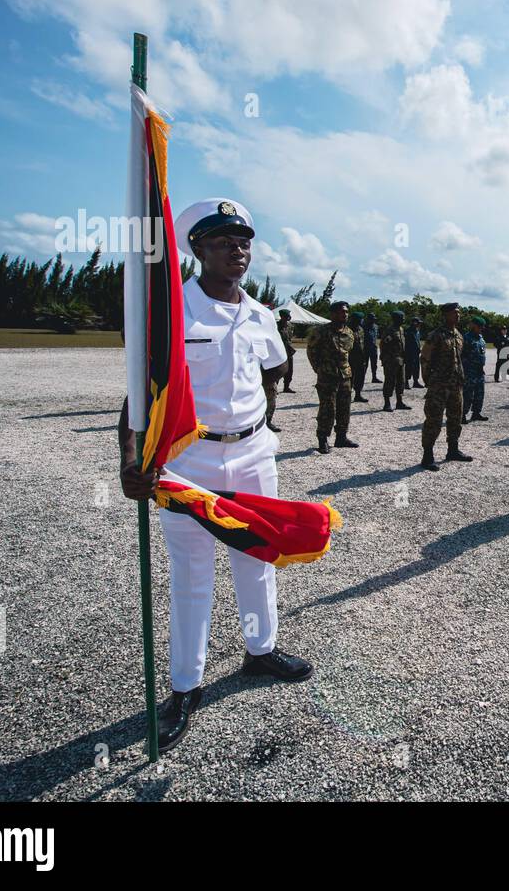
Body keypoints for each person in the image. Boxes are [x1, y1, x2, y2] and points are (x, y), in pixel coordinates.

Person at [118, 197, 310, 754]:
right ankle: (185, 687)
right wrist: (130, 462)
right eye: (224, 239)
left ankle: (260, 650)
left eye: (244, 238)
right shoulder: (172, 313)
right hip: (190, 460)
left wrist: (261, 419)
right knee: (192, 578)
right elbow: (136, 400)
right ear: (196, 248)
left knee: (257, 557)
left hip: (253, 456)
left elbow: (274, 370)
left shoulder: (262, 315)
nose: (237, 248)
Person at [419, 303, 472, 470]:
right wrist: (430, 381)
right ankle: (427, 456)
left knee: (455, 419)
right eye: (454, 313)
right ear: (446, 315)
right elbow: (425, 359)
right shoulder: (436, 335)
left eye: (459, 312)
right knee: (434, 420)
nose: (458, 315)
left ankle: (453, 450)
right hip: (439, 385)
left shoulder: (458, 336)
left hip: (456, 385)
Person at [306, 300, 359, 453]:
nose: (345, 314)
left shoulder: (349, 332)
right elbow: (312, 352)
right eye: (342, 312)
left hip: (345, 376)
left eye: (347, 312)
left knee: (344, 408)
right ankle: (323, 439)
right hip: (327, 376)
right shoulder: (321, 331)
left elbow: (349, 353)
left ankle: (341, 437)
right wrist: (320, 369)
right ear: (333, 314)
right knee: (327, 409)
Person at [379, 310, 411, 412]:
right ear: (396, 319)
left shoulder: (401, 329)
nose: (404, 319)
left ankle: (399, 402)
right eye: (402, 318)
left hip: (401, 360)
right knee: (389, 381)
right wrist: (385, 359)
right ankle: (387, 403)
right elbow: (383, 345)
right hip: (391, 360)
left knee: (401, 381)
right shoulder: (390, 331)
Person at [462, 315, 489, 422]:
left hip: (479, 371)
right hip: (469, 371)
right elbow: (461, 355)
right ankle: (462, 414)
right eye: (480, 327)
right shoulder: (466, 338)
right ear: (473, 326)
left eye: (482, 327)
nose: (481, 329)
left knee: (479, 393)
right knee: (467, 394)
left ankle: (476, 413)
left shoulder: (481, 339)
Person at [349, 311, 369, 403]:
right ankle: (347, 396)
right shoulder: (347, 329)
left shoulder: (361, 329)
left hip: (361, 357)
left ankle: (358, 394)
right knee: (349, 378)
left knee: (360, 377)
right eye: (361, 319)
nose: (362, 321)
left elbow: (363, 343)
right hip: (350, 358)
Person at [405, 316, 423, 389]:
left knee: (416, 367)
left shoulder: (417, 331)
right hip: (409, 353)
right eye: (418, 323)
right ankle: (406, 382)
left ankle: (416, 382)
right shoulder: (408, 331)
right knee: (408, 368)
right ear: (414, 323)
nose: (419, 324)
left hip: (416, 353)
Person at [363, 313, 380, 384]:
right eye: (371, 319)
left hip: (374, 348)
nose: (373, 320)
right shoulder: (363, 326)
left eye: (374, 319)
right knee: (364, 364)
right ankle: (362, 378)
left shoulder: (376, 326)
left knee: (374, 364)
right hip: (365, 348)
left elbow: (376, 336)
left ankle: (374, 377)